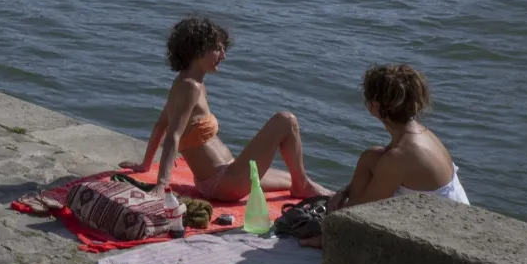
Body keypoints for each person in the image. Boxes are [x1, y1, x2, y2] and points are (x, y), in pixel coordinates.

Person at [136, 15, 328, 201]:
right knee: (286, 120)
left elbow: (161, 125)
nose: (223, 55)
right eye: (217, 49)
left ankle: (303, 185)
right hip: (225, 182)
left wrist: (145, 165)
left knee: (292, 178)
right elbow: (173, 135)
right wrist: (162, 184)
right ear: (199, 50)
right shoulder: (190, 87)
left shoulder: (185, 83)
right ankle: (303, 186)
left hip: (225, 175)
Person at [329, 64, 468, 208]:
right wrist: (345, 192)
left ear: (374, 106)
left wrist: (338, 207)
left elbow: (364, 208)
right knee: (370, 157)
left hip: (441, 216)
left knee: (350, 207)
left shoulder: (399, 156)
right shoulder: (418, 133)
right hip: (445, 203)